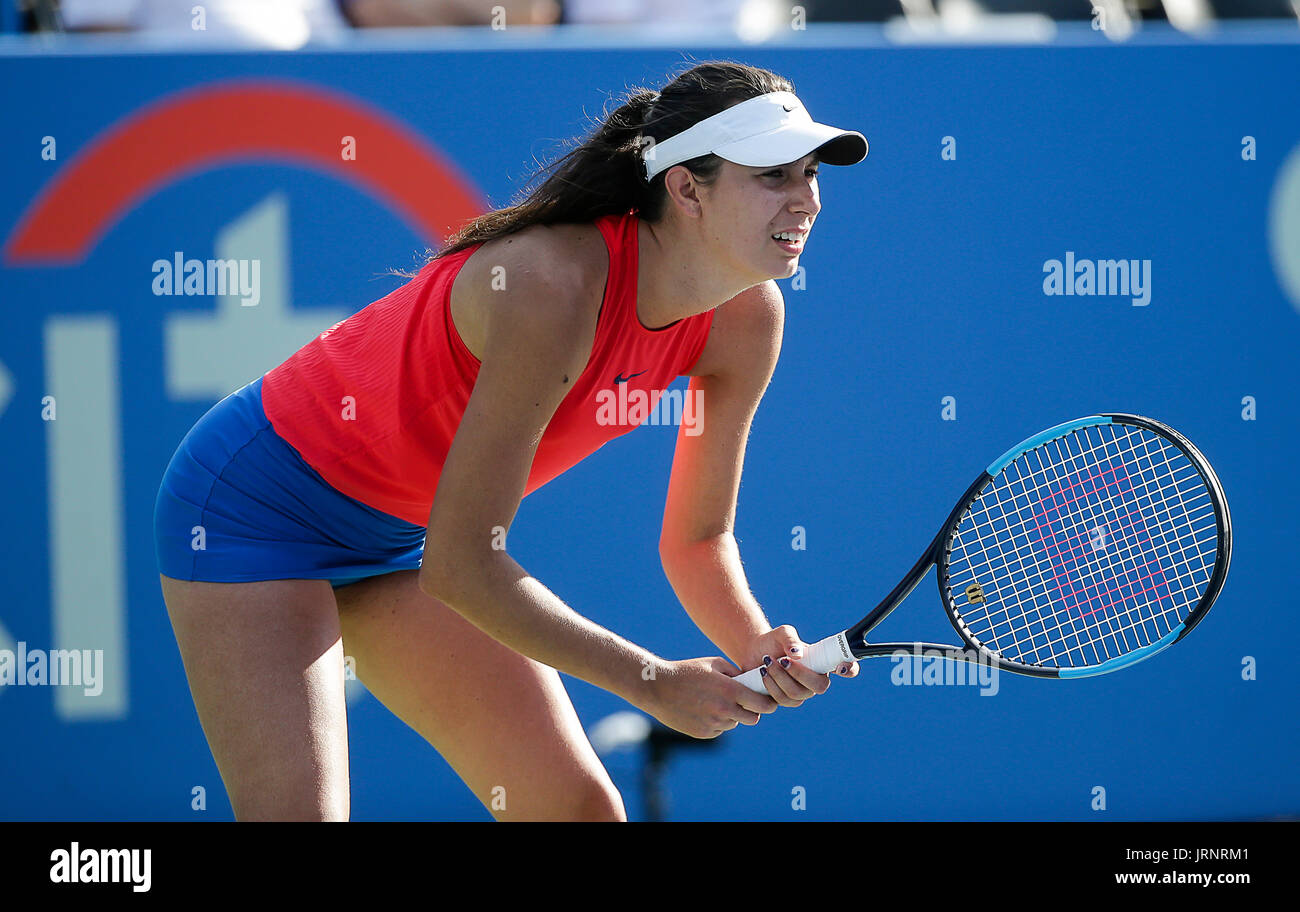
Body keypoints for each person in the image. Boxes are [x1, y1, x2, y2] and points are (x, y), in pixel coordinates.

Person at [153, 59, 868, 822]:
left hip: (403, 539)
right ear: (687, 189)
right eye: (773, 175)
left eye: (810, 173)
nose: (806, 200)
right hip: (256, 509)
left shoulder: (749, 320)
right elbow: (465, 565)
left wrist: (758, 643)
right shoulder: (548, 286)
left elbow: (697, 541)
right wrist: (652, 682)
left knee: (576, 810)